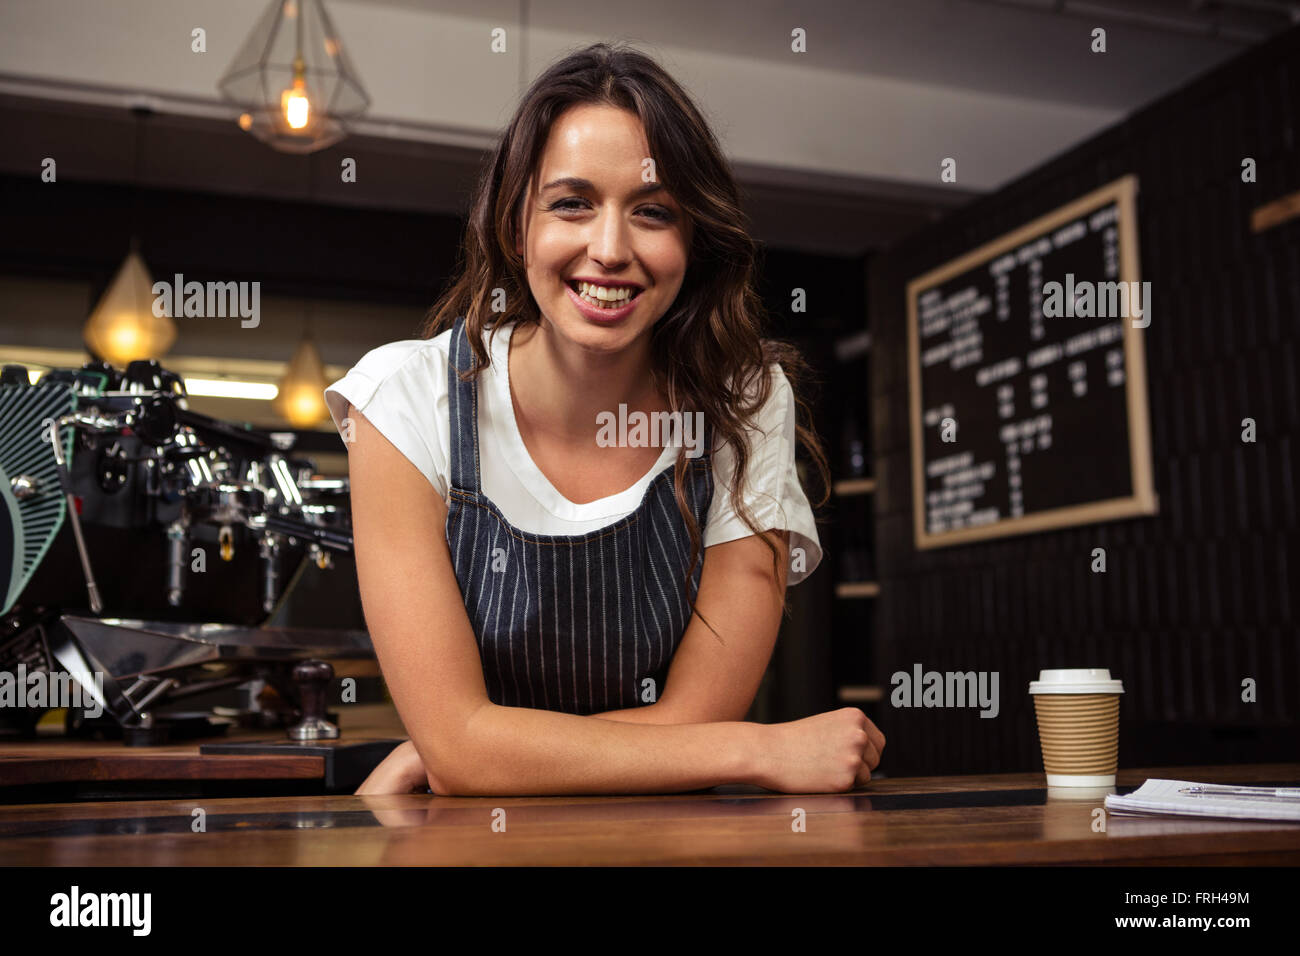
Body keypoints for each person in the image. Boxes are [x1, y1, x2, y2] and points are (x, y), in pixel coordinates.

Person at [325, 42, 885, 796]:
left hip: (663, 838)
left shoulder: (742, 401)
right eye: (572, 203)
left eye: (653, 212)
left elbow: (698, 714)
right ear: (517, 221)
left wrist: (482, 751)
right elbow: (462, 749)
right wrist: (755, 752)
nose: (611, 249)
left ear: (692, 241)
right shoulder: (404, 399)